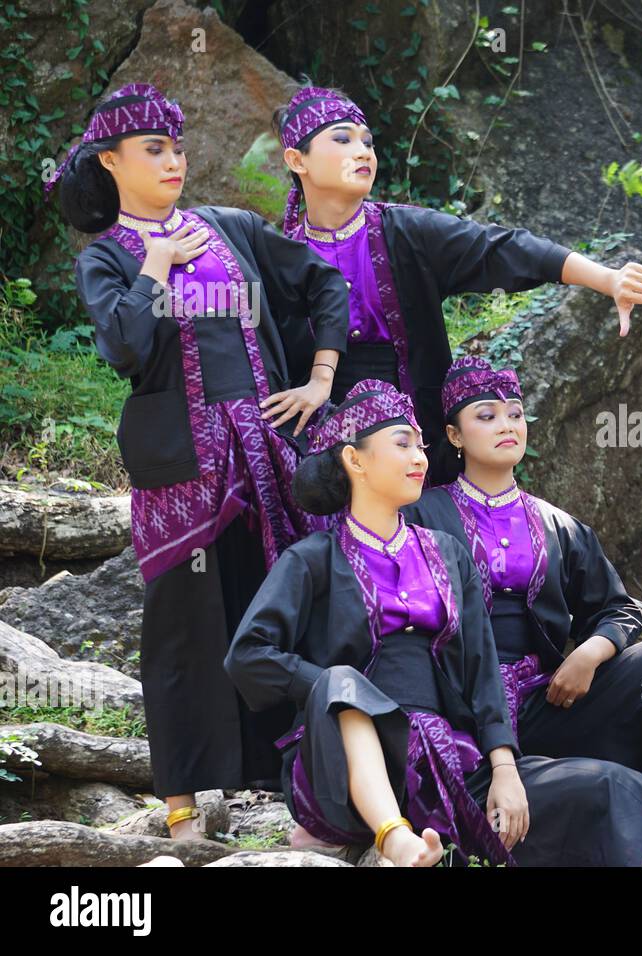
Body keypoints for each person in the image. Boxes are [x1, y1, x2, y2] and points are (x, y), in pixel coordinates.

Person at [224, 379, 642, 866]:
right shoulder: (312, 560)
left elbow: (482, 668)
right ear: (355, 460)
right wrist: (329, 688)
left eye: (421, 446)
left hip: (447, 753)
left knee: (611, 788)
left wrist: (504, 768)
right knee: (346, 686)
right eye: (403, 445)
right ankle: (393, 837)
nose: (420, 458)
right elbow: (249, 654)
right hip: (342, 763)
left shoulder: (448, 553)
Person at [52, 83, 351, 840]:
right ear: (111, 162)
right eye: (154, 149)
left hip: (263, 455)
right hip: (181, 470)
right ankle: (183, 803)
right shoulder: (108, 260)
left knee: (278, 611)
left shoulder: (228, 228)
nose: (173, 160)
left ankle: (295, 789)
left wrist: (319, 379)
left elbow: (321, 279)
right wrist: (153, 268)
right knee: (185, 628)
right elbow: (125, 349)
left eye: (178, 147)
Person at [396, 355, 642, 867]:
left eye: (516, 413)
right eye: (487, 415)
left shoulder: (559, 526)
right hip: (464, 714)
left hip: (545, 707)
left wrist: (591, 651)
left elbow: (616, 608)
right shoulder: (422, 515)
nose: (507, 426)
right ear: (453, 435)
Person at [272, 83, 642, 469]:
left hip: (421, 444)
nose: (363, 151)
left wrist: (607, 279)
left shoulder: (407, 232)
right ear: (297, 160)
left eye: (368, 142)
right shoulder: (277, 257)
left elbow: (501, 249)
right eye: (342, 139)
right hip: (325, 454)